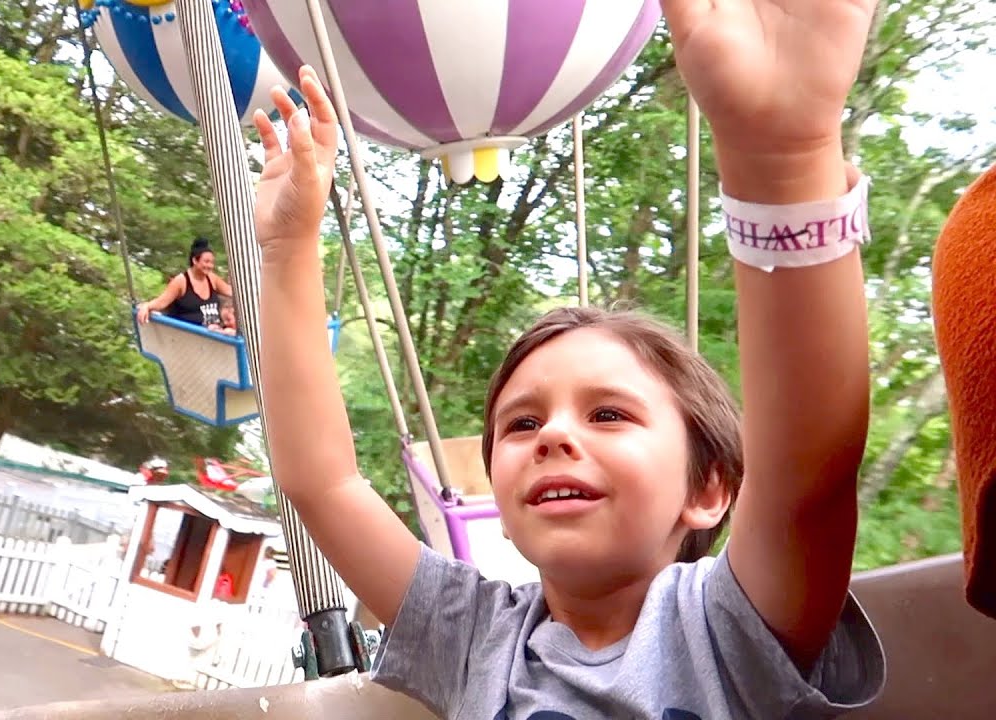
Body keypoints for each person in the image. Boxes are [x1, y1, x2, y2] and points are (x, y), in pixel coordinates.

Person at [249, 0, 887, 717]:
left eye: (608, 413)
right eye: (519, 425)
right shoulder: (472, 635)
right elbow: (323, 483)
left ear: (708, 488)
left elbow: (811, 468)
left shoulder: (725, 627)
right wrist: (286, 250)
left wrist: (784, 157)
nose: (553, 436)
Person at [136, 238, 234, 329]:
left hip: (215, 332)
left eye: (212, 262)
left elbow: (231, 292)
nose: (210, 266)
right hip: (189, 335)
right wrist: (147, 306)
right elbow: (162, 301)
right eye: (206, 262)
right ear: (195, 260)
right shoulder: (180, 282)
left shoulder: (212, 278)